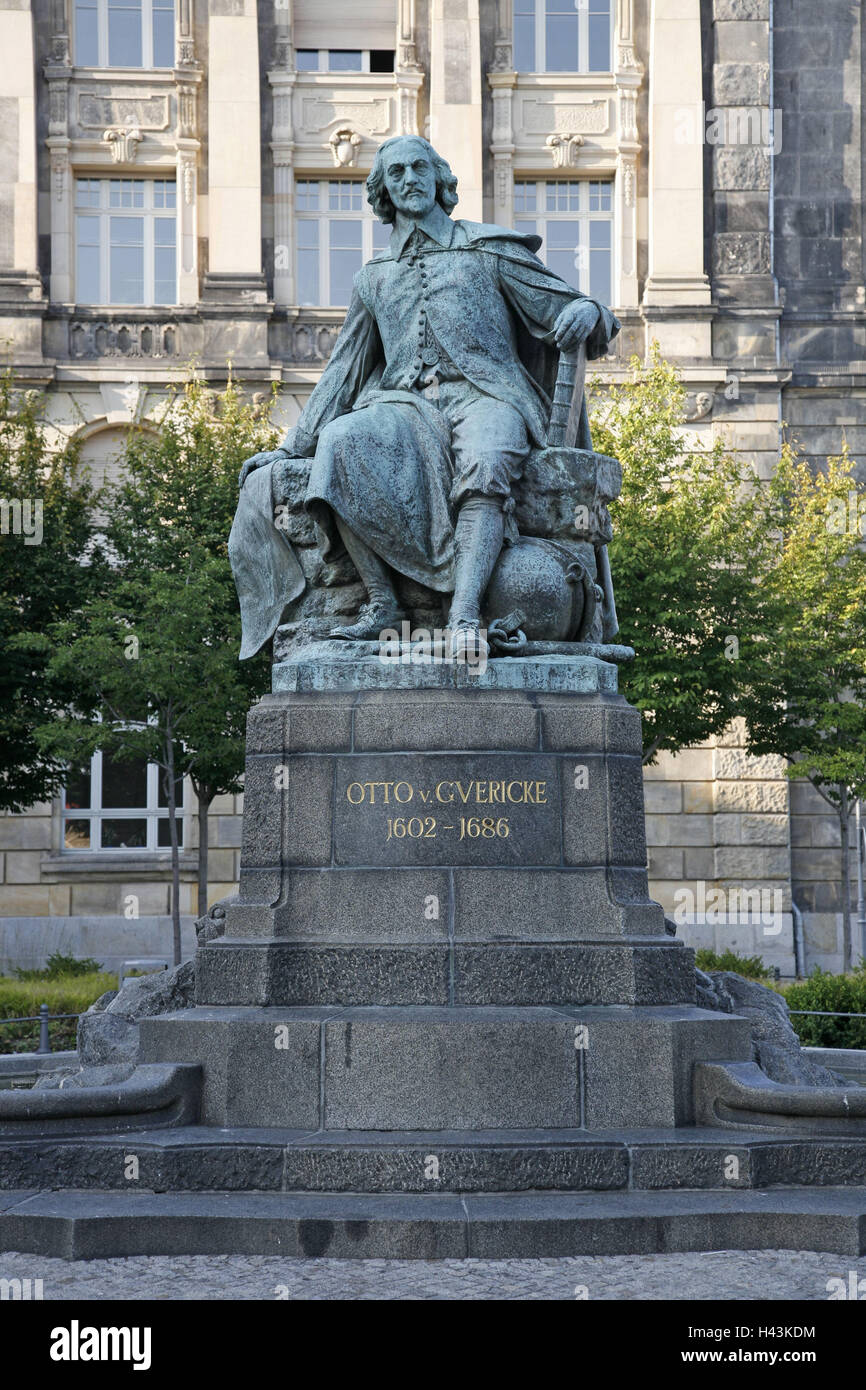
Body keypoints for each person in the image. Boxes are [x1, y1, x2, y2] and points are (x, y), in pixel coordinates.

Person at [238, 134, 619, 660]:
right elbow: (343, 371)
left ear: (440, 181)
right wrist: (290, 448)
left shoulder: (488, 250)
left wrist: (593, 312)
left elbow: (577, 312)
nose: (409, 179)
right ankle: (382, 605)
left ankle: (465, 615)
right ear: (383, 193)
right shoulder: (372, 278)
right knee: (340, 443)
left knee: (486, 461)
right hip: (404, 404)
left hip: (487, 397)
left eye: (419, 168)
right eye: (395, 174)